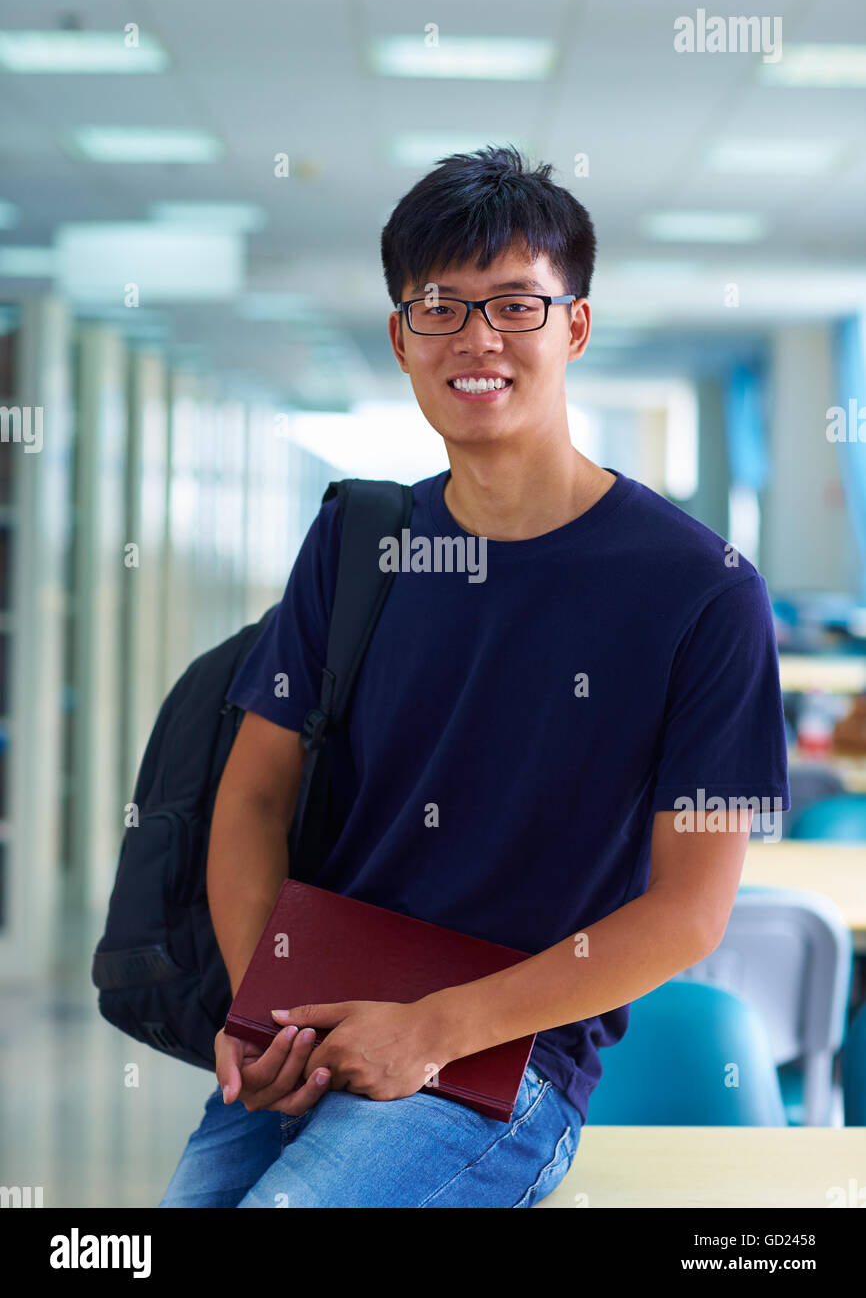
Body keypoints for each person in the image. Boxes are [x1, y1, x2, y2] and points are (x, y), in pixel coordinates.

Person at [159, 145, 789, 1208]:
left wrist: (429, 1032)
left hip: (505, 1064)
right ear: (402, 338)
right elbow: (254, 792)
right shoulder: (359, 543)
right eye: (439, 308)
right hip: (313, 1018)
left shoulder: (702, 590)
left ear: (575, 327)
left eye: (514, 305)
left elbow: (687, 912)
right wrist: (259, 1002)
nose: (476, 339)